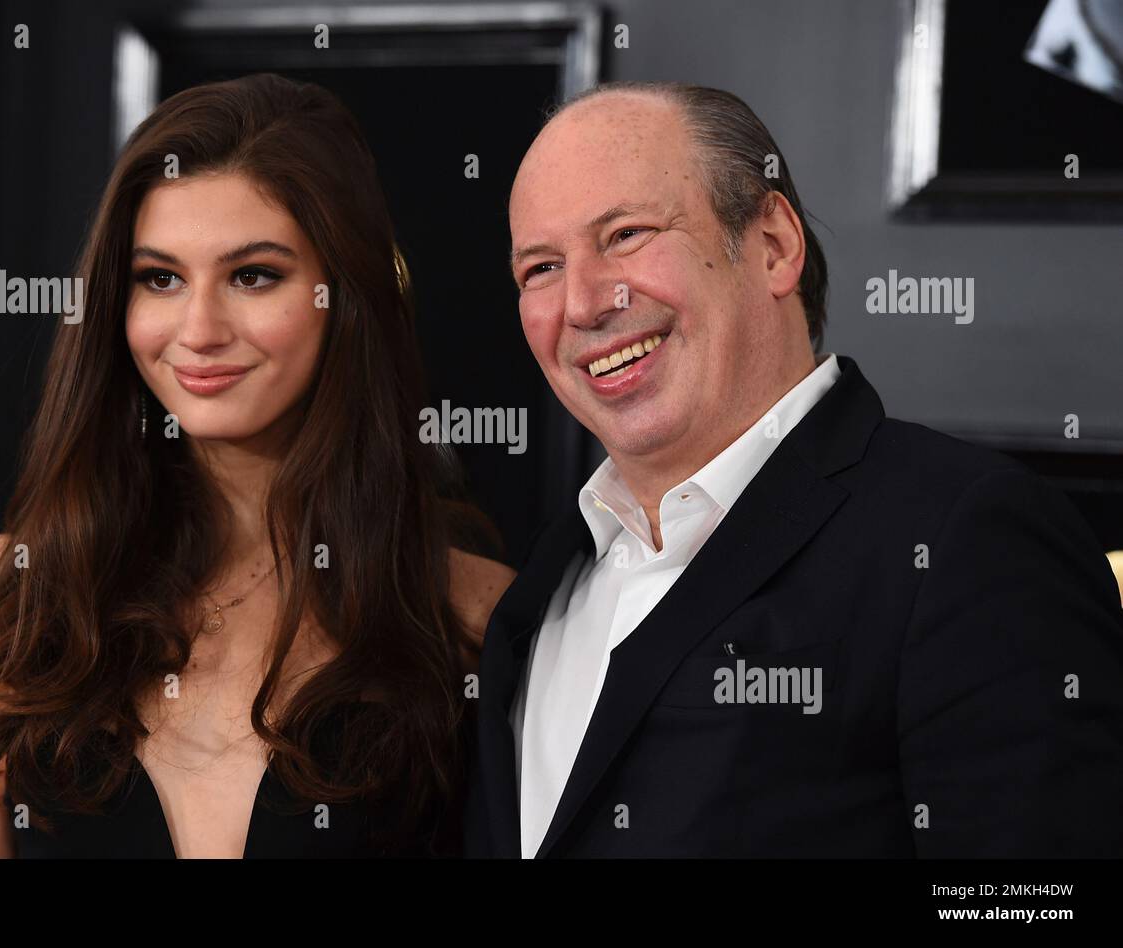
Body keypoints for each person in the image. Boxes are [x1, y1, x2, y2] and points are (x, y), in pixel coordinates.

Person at [466, 81, 1123, 858]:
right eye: (539, 268)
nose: (581, 302)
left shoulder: (967, 539)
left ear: (773, 244)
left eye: (627, 234)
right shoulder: (543, 585)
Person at [0, 73, 514, 858]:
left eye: (253, 275)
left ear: (348, 294)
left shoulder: (470, 615)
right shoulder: (7, 603)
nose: (197, 329)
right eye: (159, 279)